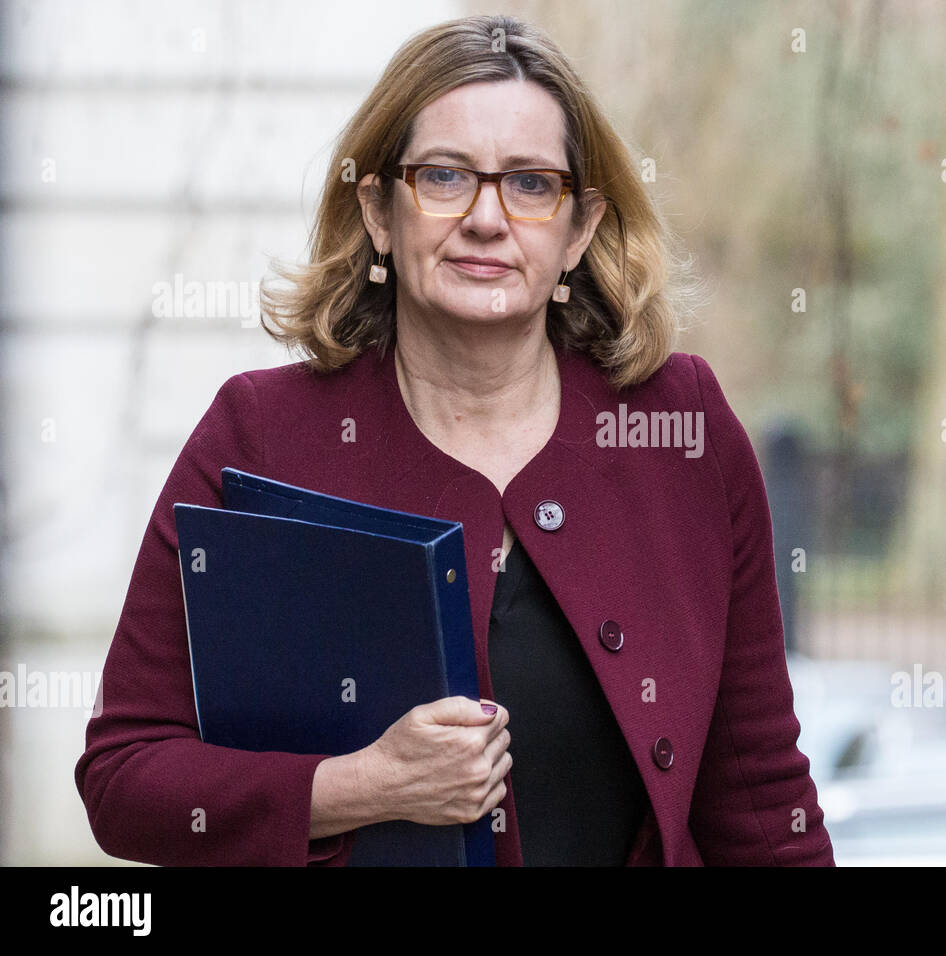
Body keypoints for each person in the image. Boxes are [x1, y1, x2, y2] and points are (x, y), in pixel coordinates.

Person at [74, 14, 834, 867]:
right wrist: (360, 788)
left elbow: (762, 796)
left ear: (578, 229)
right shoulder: (259, 437)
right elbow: (125, 774)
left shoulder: (679, 430)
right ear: (379, 212)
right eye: (443, 176)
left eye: (531, 185)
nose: (486, 218)